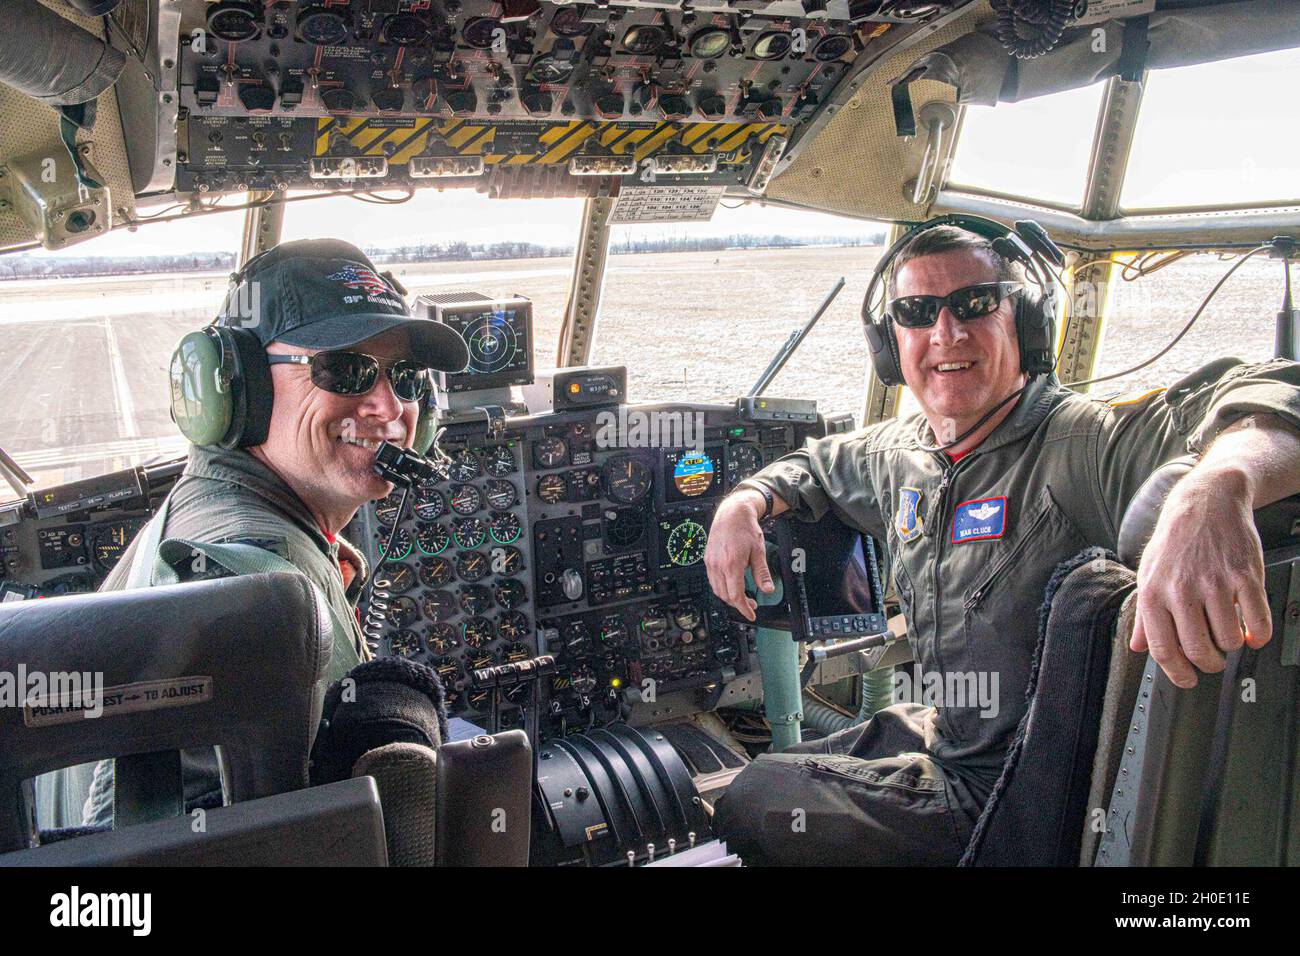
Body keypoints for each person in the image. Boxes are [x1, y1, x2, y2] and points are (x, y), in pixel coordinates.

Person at [703, 223, 1300, 865]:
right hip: (948, 735)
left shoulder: (1086, 444)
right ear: (890, 344)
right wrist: (747, 501)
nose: (946, 334)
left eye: (975, 304)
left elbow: (1276, 392)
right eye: (916, 312)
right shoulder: (902, 454)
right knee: (782, 761)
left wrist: (1218, 482)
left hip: (1013, 788)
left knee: (758, 796)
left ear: (1027, 324)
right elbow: (818, 466)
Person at [72, 238, 468, 827]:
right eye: (345, 368)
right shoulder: (252, 591)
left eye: (406, 376)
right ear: (238, 389)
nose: (388, 407)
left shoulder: (211, 509)